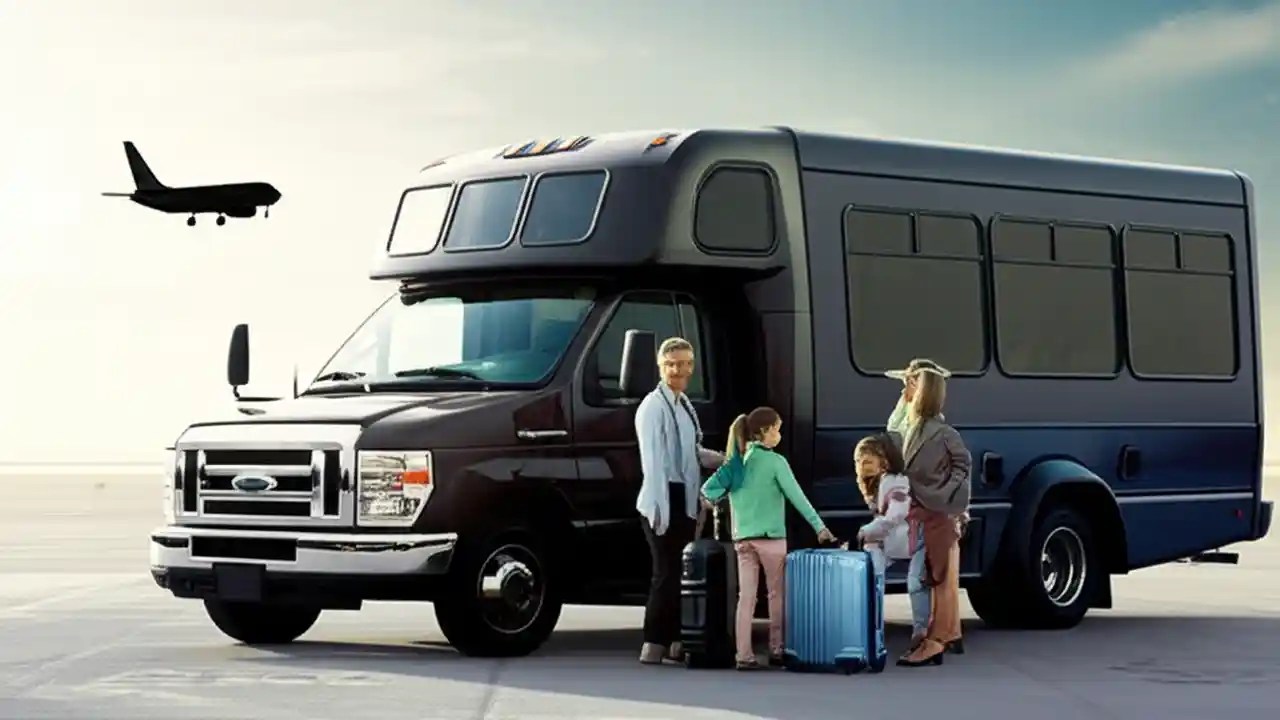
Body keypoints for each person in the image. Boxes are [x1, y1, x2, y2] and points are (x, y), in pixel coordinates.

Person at [701, 406, 836, 670]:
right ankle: (776, 649)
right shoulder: (776, 462)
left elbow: (708, 490)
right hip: (772, 539)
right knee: (776, 594)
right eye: (777, 429)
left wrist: (725, 502)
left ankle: (744, 655)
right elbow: (797, 497)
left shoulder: (736, 463)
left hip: (743, 540)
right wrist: (819, 527)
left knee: (746, 597)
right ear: (765, 431)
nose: (779, 435)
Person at [634, 337, 726, 665]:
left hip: (683, 496)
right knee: (665, 572)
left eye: (685, 363)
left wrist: (723, 460)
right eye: (672, 364)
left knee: (681, 573)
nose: (678, 370)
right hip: (662, 497)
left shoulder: (685, 404)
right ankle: (653, 643)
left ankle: (675, 642)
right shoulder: (652, 407)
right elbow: (654, 462)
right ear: (661, 367)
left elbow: (691, 452)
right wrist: (659, 511)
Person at [885, 357, 967, 657]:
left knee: (933, 575)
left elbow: (960, 468)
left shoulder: (937, 430)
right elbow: (893, 434)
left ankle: (932, 635)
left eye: (912, 381)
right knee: (936, 575)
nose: (907, 386)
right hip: (920, 510)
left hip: (936, 513)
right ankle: (946, 634)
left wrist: (946, 498)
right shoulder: (910, 417)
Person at [852, 434, 930, 645]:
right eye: (858, 461)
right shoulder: (877, 484)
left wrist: (867, 530)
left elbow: (896, 514)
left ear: (884, 462)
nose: (862, 466)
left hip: (915, 537)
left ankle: (921, 631)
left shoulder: (895, 483)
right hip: (894, 541)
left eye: (867, 461)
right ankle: (872, 626)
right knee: (874, 578)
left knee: (915, 582)